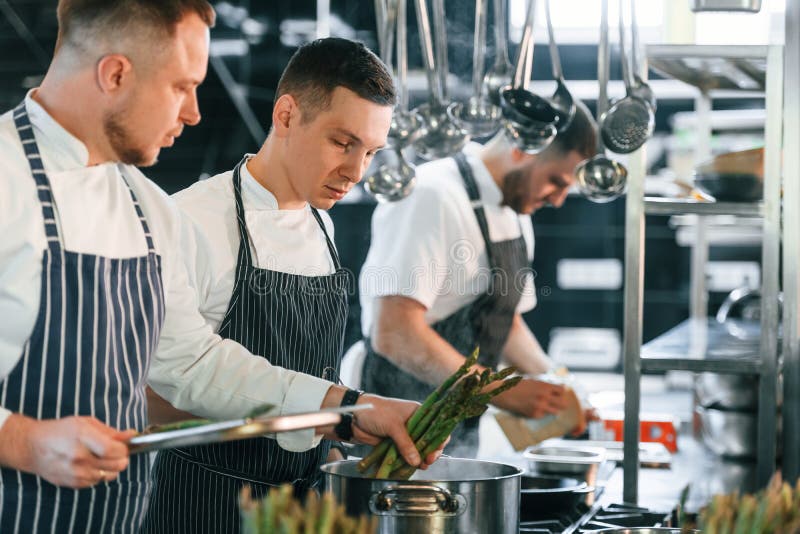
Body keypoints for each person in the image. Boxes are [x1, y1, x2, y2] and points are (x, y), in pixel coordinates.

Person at [0, 3, 437, 532]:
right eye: (181, 87)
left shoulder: (146, 207)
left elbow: (193, 364)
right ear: (115, 74)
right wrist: (23, 442)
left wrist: (348, 410)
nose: (193, 113)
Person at [140, 37, 406, 533]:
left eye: (370, 152)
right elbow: (157, 388)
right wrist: (337, 407)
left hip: (306, 507)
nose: (356, 172)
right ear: (286, 116)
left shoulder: (322, 226)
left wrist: (347, 418)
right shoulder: (191, 220)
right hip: (207, 504)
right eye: (342, 142)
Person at [356, 103, 597, 456]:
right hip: (393, 419)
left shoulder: (514, 210)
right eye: (555, 182)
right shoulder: (432, 194)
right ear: (522, 148)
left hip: (457, 428)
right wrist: (497, 389)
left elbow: (504, 321)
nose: (559, 200)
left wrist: (560, 387)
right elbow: (394, 331)